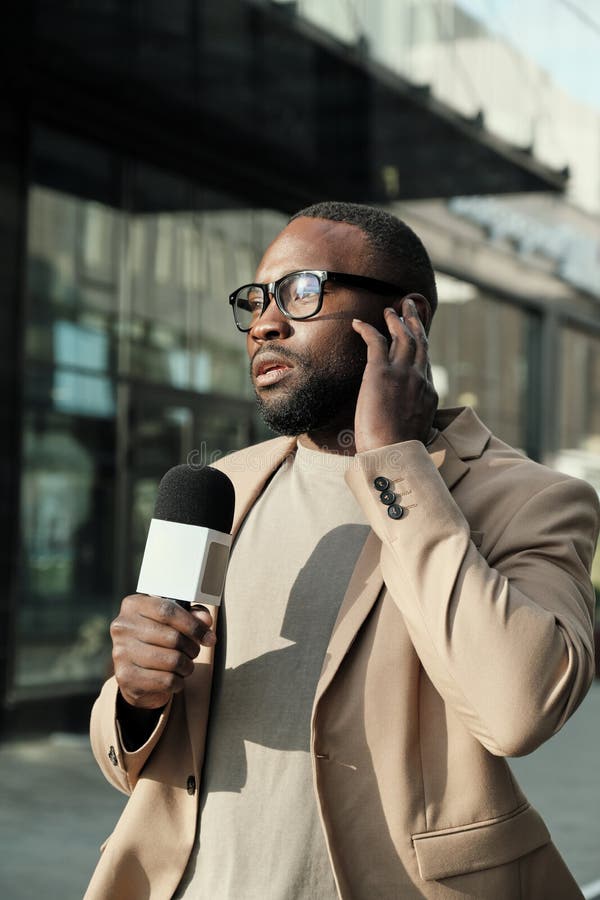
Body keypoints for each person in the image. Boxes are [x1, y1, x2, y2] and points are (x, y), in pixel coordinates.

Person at [86, 202, 599, 900]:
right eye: (256, 299)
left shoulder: (531, 499)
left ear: (404, 318)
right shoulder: (224, 486)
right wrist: (137, 697)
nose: (266, 321)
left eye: (302, 292)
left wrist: (396, 459)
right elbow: (128, 759)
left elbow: (518, 708)